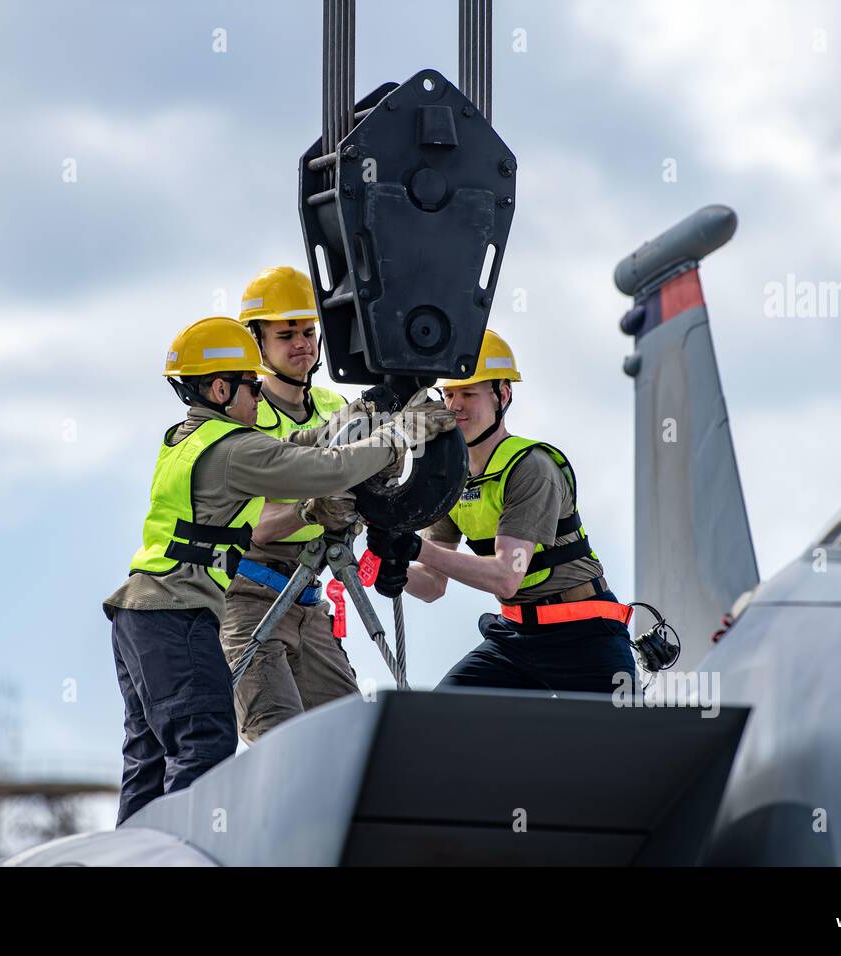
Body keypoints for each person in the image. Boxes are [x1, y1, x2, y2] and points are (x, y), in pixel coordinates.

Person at [103, 315, 454, 824]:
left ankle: (132, 855)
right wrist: (404, 433)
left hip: (141, 614)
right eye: (249, 386)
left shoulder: (191, 438)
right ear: (221, 388)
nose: (256, 397)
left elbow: (293, 452)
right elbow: (326, 470)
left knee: (150, 758)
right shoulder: (233, 449)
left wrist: (356, 416)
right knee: (204, 745)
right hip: (177, 616)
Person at [366, 329, 638, 694]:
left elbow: (505, 578)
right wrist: (388, 566)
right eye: (448, 394)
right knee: (439, 723)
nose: (454, 405)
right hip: (515, 638)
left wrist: (413, 547)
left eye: (468, 393)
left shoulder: (532, 467)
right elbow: (433, 584)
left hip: (585, 636)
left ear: (502, 395)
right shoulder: (450, 478)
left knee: (612, 749)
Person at [219, 266, 361, 742]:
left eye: (308, 332)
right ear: (256, 344)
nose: (303, 344)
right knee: (277, 742)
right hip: (248, 597)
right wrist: (310, 508)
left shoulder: (332, 406)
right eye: (286, 335)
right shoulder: (244, 417)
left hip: (308, 597)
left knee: (347, 738)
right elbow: (252, 524)